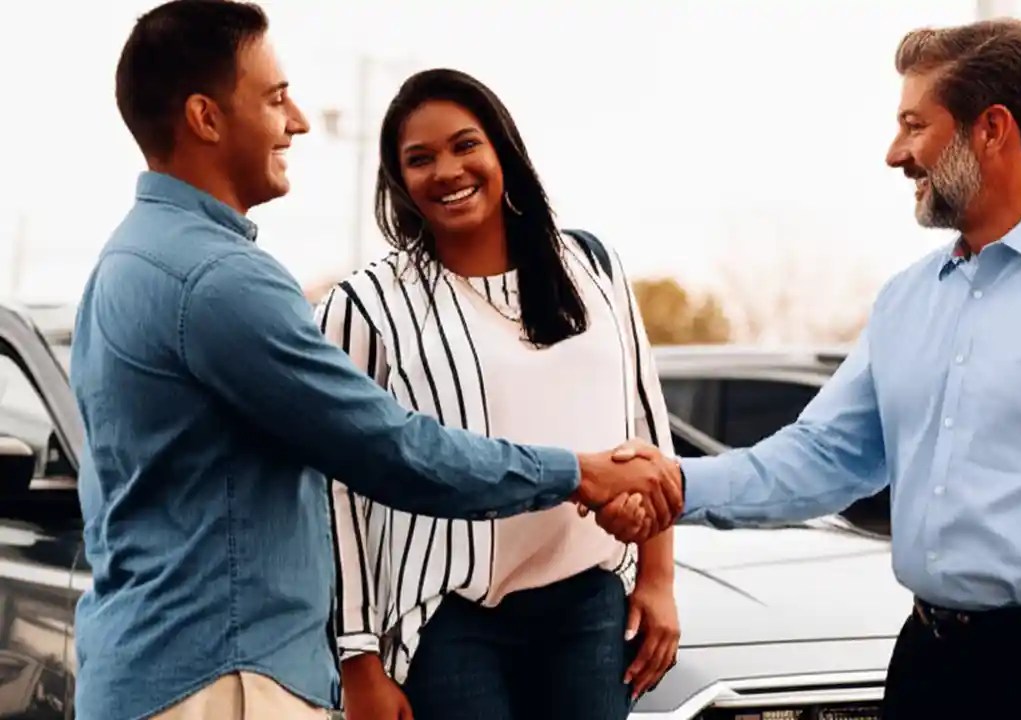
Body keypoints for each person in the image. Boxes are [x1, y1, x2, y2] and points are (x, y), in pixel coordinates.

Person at [606, 17, 1021, 720]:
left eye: (915, 125)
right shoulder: (907, 299)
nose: (895, 154)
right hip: (928, 667)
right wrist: (673, 482)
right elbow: (823, 458)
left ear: (992, 130)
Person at [74, 3, 677, 719]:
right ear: (206, 118)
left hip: (172, 665)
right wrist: (580, 473)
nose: (295, 120)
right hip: (221, 678)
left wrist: (653, 557)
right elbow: (390, 453)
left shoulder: (132, 258)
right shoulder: (222, 281)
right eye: (274, 98)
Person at [321, 67, 680, 720]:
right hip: (450, 619)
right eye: (419, 159)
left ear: (501, 150)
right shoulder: (367, 305)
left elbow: (645, 429)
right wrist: (358, 662)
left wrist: (658, 580)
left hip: (590, 608)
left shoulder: (592, 266)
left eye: (465, 145)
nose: (447, 171)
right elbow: (334, 489)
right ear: (398, 181)